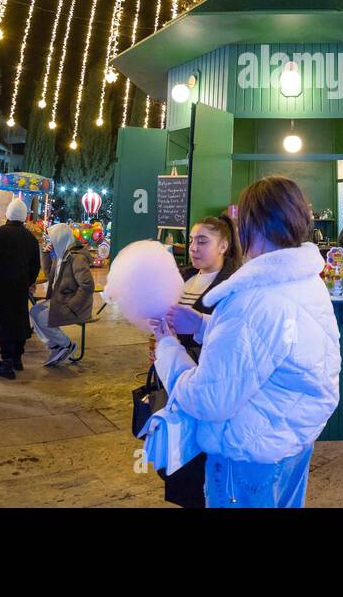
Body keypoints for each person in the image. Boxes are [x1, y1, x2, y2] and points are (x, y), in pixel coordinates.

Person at [153, 175, 340, 508]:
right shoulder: (306, 280)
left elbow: (209, 398)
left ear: (251, 225)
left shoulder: (252, 297)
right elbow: (271, 345)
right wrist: (203, 325)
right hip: (292, 441)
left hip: (249, 454)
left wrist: (168, 349)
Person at [153, 215, 242, 508]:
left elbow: (231, 337)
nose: (193, 247)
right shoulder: (182, 276)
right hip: (172, 377)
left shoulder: (232, 286)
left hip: (204, 379)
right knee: (177, 453)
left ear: (224, 245)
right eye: (191, 240)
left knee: (199, 459)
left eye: (203, 241)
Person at [0, 197, 41, 379]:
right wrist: (28, 281)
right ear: (25, 217)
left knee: (3, 322)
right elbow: (36, 266)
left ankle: (6, 363)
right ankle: (18, 358)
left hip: (0, 286)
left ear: (8, 214)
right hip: (20, 287)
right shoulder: (30, 238)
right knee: (19, 319)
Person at [33, 223, 96, 366]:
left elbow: (87, 286)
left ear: (61, 239)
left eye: (53, 239)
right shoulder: (61, 254)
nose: (51, 242)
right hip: (61, 300)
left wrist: (71, 306)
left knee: (42, 317)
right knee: (34, 311)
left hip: (75, 307)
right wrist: (45, 253)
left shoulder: (77, 258)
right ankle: (55, 346)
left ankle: (66, 345)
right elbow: (50, 275)